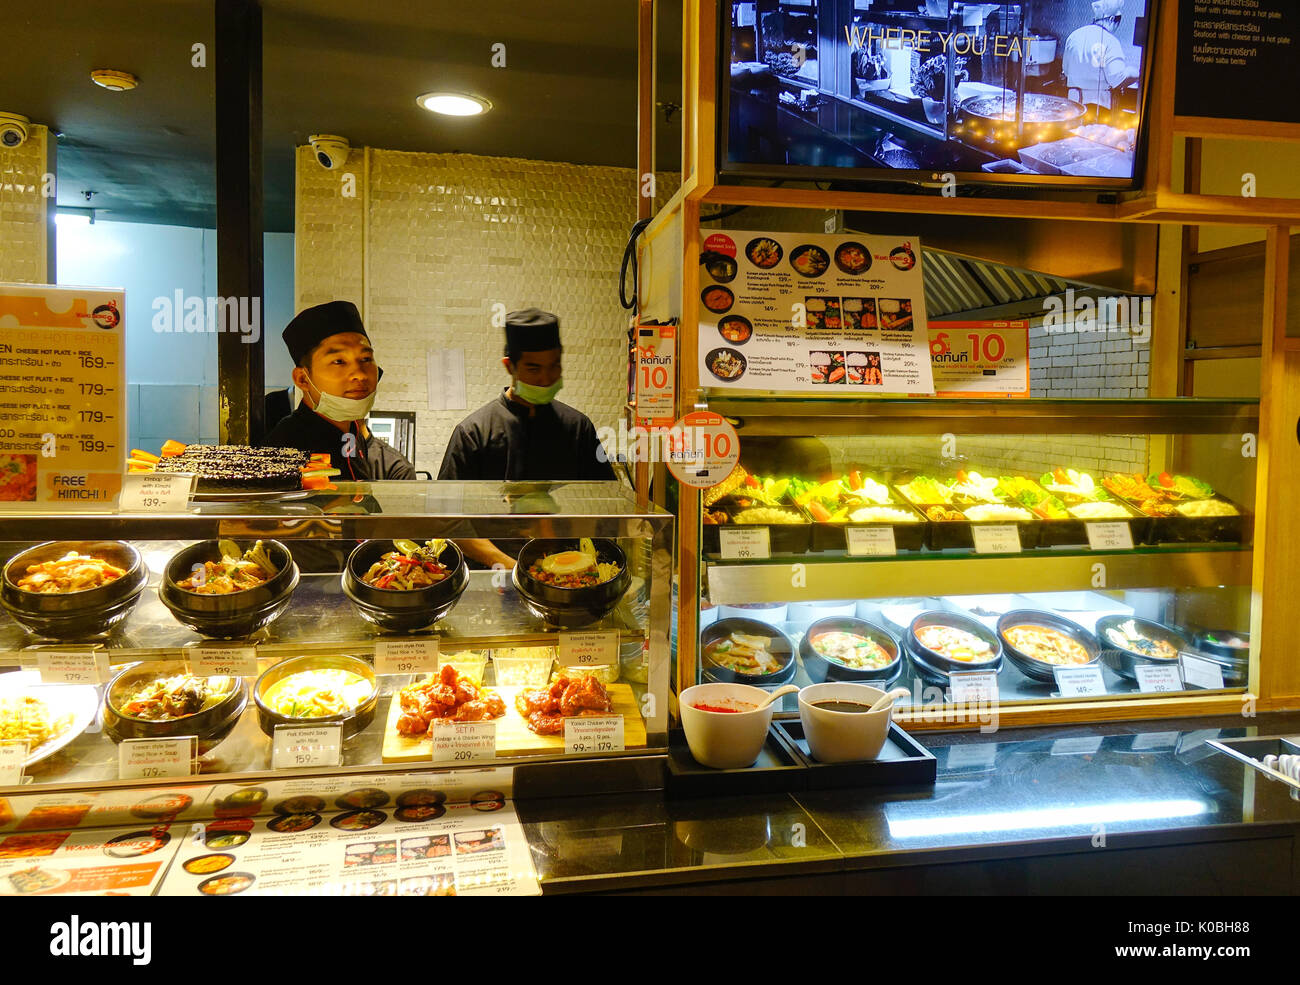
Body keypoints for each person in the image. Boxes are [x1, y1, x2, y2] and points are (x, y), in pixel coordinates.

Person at [438, 307, 616, 567]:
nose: (546, 379)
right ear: (509, 366)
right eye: (534, 369)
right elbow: (449, 520)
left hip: (569, 573)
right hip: (494, 574)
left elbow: (606, 505)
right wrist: (510, 567)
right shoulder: (474, 433)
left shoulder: (578, 428)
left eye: (554, 366)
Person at [261, 300, 415, 480]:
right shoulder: (285, 449)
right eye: (339, 361)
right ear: (303, 379)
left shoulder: (352, 434)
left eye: (366, 359)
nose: (359, 374)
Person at [1063, 0, 1135, 120]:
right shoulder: (1110, 41)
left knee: (1075, 135)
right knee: (1094, 135)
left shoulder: (1074, 36)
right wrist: (1134, 72)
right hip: (1098, 107)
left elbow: (1065, 70)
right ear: (1112, 19)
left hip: (1073, 104)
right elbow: (1117, 78)